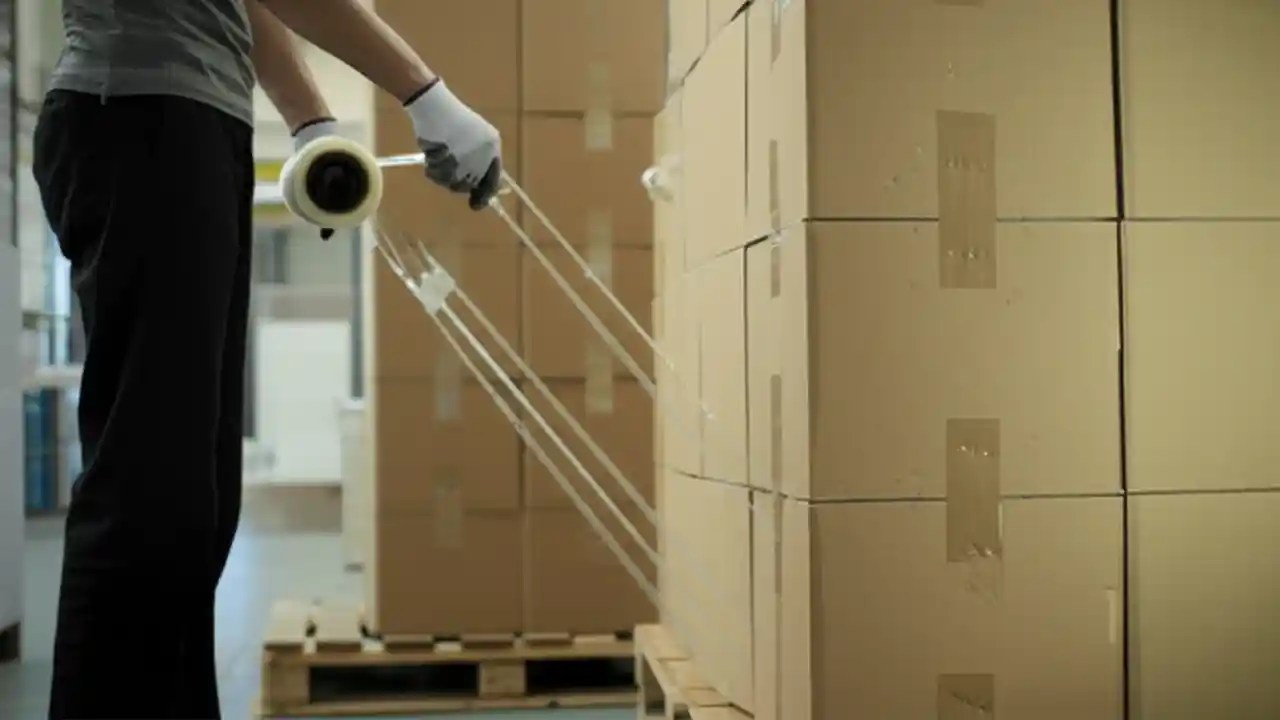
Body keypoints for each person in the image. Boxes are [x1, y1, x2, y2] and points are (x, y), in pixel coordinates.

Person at [31, 1, 500, 717]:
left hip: (191, 122)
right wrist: (424, 92)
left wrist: (312, 122)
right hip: (139, 112)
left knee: (195, 503)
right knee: (148, 493)